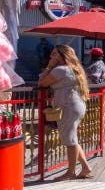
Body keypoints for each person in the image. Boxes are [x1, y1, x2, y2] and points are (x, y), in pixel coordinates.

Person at [38, 45, 92, 181]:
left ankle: (70, 172)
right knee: (72, 138)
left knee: (70, 140)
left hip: (68, 107)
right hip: (76, 105)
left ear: (63, 55)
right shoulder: (74, 68)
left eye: (54, 54)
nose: (51, 56)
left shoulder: (60, 70)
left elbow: (42, 83)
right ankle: (85, 168)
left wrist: (49, 67)